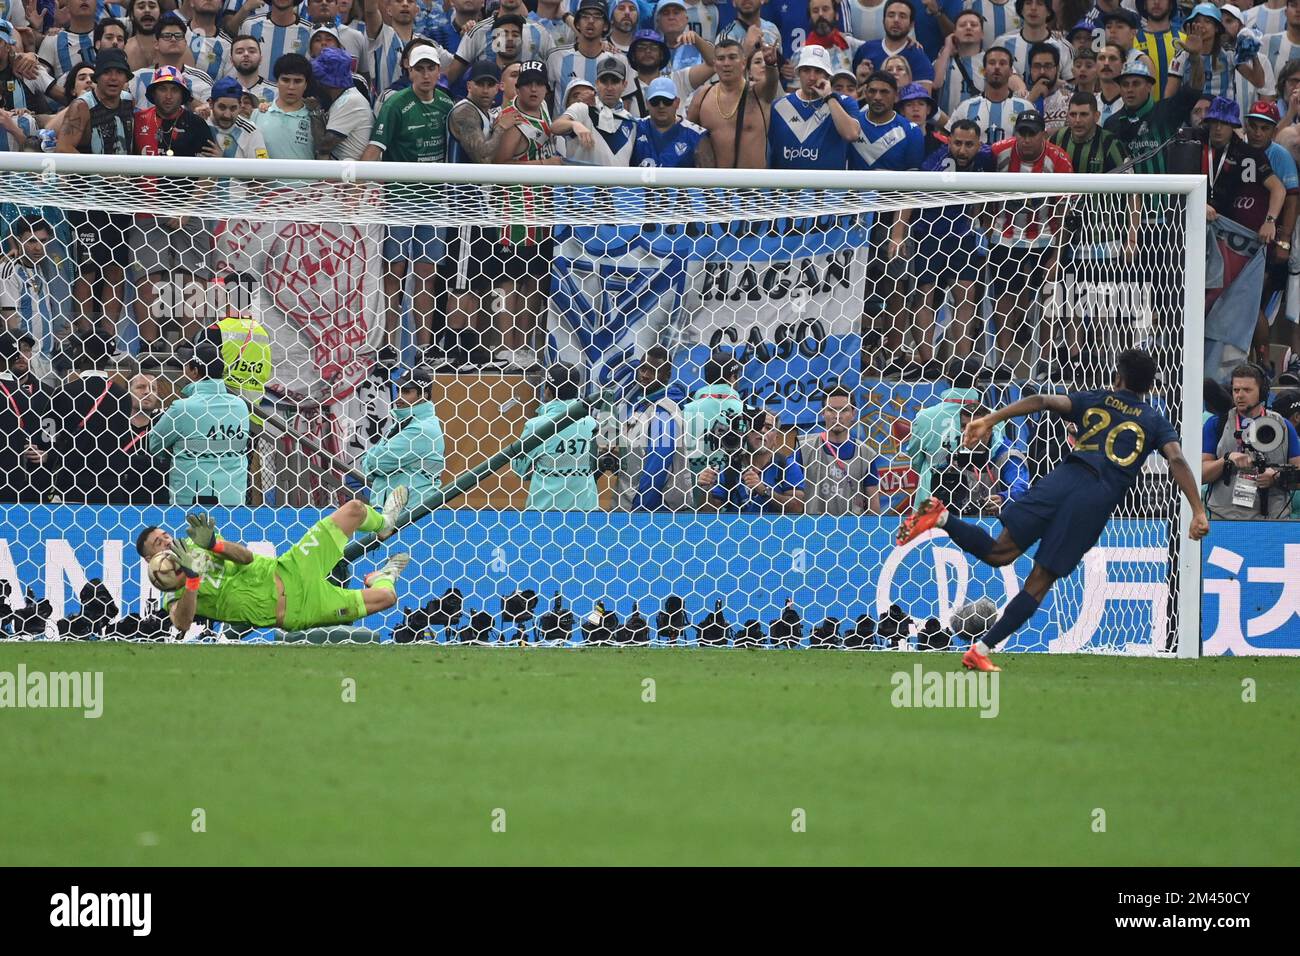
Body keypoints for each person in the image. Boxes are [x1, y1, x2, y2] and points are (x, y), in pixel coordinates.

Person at [897, 348, 1211, 671]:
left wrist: (991, 418)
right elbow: (1176, 459)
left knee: (999, 551)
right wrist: (1198, 510)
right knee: (1040, 580)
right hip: (1096, 497)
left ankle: (941, 516)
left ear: (1118, 377)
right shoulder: (1155, 420)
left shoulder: (1097, 398)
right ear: (1149, 387)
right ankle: (981, 649)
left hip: (1062, 478)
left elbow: (1043, 401)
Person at [135, 495, 413, 635]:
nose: (168, 542)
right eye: (158, 544)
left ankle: (384, 525)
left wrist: (213, 545)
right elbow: (181, 624)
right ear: (150, 561)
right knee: (386, 597)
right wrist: (192, 580)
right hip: (301, 610)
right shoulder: (173, 593)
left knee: (355, 509)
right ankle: (382, 575)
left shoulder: (198, 542)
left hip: (291, 568)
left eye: (165, 535)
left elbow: (245, 557)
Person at [131, 64, 217, 351]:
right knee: (148, 276)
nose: (168, 95)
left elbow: (211, 173)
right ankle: (150, 346)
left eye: (174, 90)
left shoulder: (197, 124)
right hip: (146, 208)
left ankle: (185, 345)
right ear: (153, 93)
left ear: (183, 94)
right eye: (162, 89)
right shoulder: (137, 120)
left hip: (189, 209)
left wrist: (187, 209)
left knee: (192, 277)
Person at [56, 48, 136, 350]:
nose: (113, 78)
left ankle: (110, 340)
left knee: (116, 269)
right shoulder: (82, 106)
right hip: (87, 202)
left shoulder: (129, 102)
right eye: (107, 72)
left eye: (119, 72)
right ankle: (84, 338)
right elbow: (63, 149)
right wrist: (103, 172)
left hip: (120, 201)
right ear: (98, 77)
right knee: (88, 269)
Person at [989, 108, 1074, 377]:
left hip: (1046, 235)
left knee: (1052, 292)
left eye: (1032, 134)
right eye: (1021, 134)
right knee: (1005, 296)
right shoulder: (997, 152)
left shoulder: (1059, 159)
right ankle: (1003, 360)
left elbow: (1067, 212)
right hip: (1005, 235)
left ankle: (1046, 359)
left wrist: (1057, 255)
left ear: (1043, 135)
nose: (1026, 140)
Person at [912, 119, 993, 364]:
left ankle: (962, 362)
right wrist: (899, 232)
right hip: (929, 235)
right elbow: (911, 192)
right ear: (949, 140)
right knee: (925, 295)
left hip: (962, 237)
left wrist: (984, 224)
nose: (962, 149)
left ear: (979, 144)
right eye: (957, 143)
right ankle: (928, 363)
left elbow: (991, 194)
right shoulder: (935, 162)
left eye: (969, 144)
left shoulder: (987, 159)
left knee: (966, 297)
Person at [148, 342, 251, 506]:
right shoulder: (241, 406)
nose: (183, 370)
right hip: (234, 503)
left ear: (194, 371)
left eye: (186, 366)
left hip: (189, 504)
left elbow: (153, 445)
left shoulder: (182, 408)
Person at [1201, 363, 1300, 519]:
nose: (1239, 395)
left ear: (1262, 393)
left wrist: (1276, 477)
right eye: (1236, 390)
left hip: (1274, 520)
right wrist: (1226, 460)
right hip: (1225, 520)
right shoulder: (1217, 424)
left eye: (1247, 390)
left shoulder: (1284, 426)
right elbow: (1201, 474)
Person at [52, 335, 134, 504]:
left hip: (72, 484)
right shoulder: (123, 396)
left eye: (76, 349)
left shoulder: (64, 392)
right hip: (110, 485)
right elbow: (124, 440)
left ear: (83, 355)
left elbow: (47, 436)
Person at [512, 363, 600, 511]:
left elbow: (519, 468)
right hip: (586, 511)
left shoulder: (536, 426)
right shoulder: (591, 423)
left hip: (544, 511)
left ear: (547, 391)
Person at [614, 345, 689, 511]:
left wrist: (641, 513)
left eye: (653, 371)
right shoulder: (643, 406)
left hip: (651, 514)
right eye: (642, 369)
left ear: (667, 376)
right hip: (630, 507)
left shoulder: (663, 411)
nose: (645, 375)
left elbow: (657, 470)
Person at [362, 366, 445, 511]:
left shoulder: (421, 429)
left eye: (406, 392)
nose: (399, 397)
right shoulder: (404, 423)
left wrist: (373, 462)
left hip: (412, 511)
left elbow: (375, 463)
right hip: (394, 510)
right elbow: (368, 467)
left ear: (424, 395)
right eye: (398, 390)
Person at [687, 35, 778, 168]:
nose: (726, 63)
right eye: (721, 58)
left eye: (732, 57)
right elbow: (686, 137)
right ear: (715, 64)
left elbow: (771, 83)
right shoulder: (702, 97)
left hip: (753, 185)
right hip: (715, 186)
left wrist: (771, 65)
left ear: (743, 63)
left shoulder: (758, 93)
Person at [795, 386, 886, 515]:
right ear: (822, 413)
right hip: (811, 529)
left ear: (853, 413)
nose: (837, 416)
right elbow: (792, 497)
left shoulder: (865, 454)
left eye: (844, 410)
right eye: (831, 410)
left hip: (851, 530)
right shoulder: (805, 448)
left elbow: (874, 507)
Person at [768, 44, 861, 169]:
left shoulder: (845, 102)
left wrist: (829, 97)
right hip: (787, 187)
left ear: (827, 75)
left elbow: (851, 134)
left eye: (818, 71)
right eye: (806, 70)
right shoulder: (779, 106)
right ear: (799, 73)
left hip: (829, 187)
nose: (812, 77)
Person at [699, 407, 806, 514]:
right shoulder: (730, 468)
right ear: (746, 433)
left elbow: (797, 508)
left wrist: (764, 490)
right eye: (756, 426)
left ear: (775, 438)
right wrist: (707, 489)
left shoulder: (787, 466)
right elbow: (707, 512)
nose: (762, 430)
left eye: (769, 428)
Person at [0, 217, 61, 382]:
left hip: (46, 359)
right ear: (18, 241)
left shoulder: (40, 268)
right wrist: (19, 356)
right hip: (25, 361)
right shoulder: (9, 269)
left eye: (43, 241)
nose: (38, 247)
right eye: (32, 241)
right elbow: (8, 322)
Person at [679, 348, 745, 500]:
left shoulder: (685, 411)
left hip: (692, 504)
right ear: (733, 378)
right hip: (738, 508)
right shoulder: (748, 413)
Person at [0, 329, 55, 503]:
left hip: (36, 483)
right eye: (15, 348)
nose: (20, 354)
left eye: (25, 349)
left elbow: (52, 436)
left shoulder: (49, 394)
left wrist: (46, 454)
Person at [952, 46, 1034, 145]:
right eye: (992, 63)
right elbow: (949, 139)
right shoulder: (965, 107)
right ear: (984, 71)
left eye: (1002, 63)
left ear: (1011, 72)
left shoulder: (1026, 107)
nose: (997, 67)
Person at [854, 0, 934, 92]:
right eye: (891, 15)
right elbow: (851, 91)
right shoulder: (866, 49)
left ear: (911, 24)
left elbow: (924, 98)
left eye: (902, 16)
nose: (896, 20)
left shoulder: (918, 56)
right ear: (883, 21)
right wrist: (862, 82)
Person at [313, 47, 372, 160]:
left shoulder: (349, 101)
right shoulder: (345, 98)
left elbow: (324, 146)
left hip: (351, 174)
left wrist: (315, 112)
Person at [207, 76, 269, 158]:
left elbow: (262, 167)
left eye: (233, 108)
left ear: (240, 106)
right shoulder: (198, 122)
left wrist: (223, 162)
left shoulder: (251, 132)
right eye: (222, 107)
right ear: (211, 104)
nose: (227, 115)